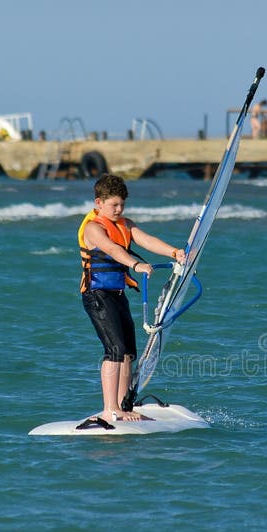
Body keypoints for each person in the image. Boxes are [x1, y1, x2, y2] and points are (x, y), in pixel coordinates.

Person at [77, 173, 186, 428]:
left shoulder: (125, 224)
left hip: (117, 295)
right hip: (97, 296)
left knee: (128, 353)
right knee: (114, 350)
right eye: (114, 205)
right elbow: (113, 250)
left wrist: (174, 252)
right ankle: (110, 410)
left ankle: (124, 407)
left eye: (122, 205)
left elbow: (146, 240)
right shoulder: (94, 228)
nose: (119, 209)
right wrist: (136, 264)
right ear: (98, 203)